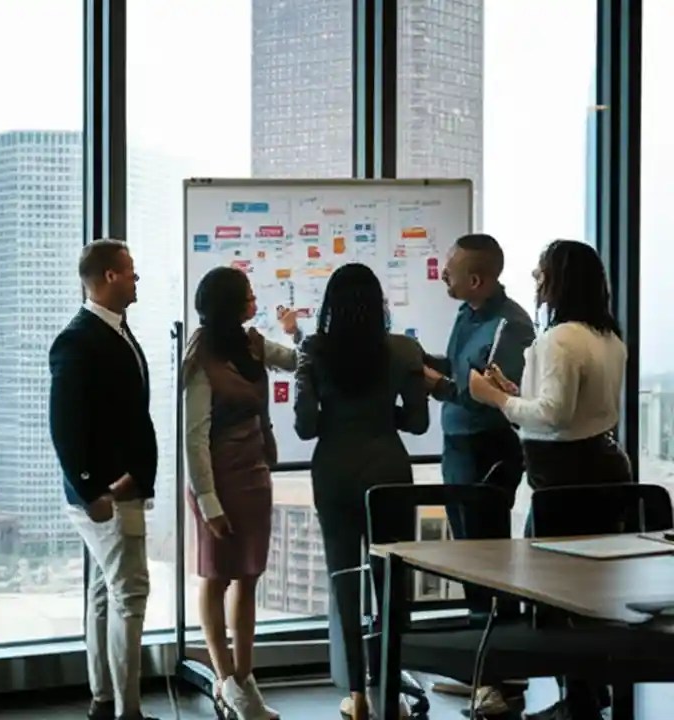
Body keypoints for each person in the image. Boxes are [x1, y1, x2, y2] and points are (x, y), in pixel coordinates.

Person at [468, 239, 630, 720]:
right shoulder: (608, 338)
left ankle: (577, 700)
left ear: (559, 280)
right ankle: (588, 692)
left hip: (565, 480)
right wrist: (520, 394)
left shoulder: (559, 339)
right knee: (591, 593)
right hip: (602, 469)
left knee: (556, 596)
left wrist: (496, 400)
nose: (536, 283)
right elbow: (570, 410)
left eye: (541, 274)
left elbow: (555, 417)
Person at [293, 263, 428, 720]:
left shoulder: (314, 351)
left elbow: (306, 426)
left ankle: (356, 697)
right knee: (390, 585)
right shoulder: (404, 351)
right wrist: (382, 415)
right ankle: (391, 692)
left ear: (331, 305)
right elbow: (419, 422)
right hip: (389, 472)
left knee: (344, 581)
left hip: (333, 472)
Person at [421, 233, 535, 716]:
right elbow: (458, 369)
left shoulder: (512, 325)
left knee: (490, 563)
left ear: (477, 278)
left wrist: (439, 386)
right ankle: (482, 670)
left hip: (487, 449)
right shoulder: (466, 315)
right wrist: (419, 362)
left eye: (450, 268)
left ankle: (502, 680)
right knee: (471, 561)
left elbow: (493, 396)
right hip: (458, 448)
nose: (442, 274)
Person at [183, 266, 301, 720]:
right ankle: (226, 680)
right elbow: (194, 439)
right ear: (231, 304)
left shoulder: (251, 344)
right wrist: (208, 503)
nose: (256, 301)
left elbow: (297, 361)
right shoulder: (200, 358)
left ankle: (245, 679)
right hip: (218, 480)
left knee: (248, 575)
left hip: (253, 474)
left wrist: (298, 332)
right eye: (249, 295)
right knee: (216, 576)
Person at [49, 239, 158, 720]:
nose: (137, 278)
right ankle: (127, 712)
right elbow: (65, 425)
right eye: (131, 271)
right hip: (109, 496)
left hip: (118, 489)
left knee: (104, 592)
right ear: (109, 276)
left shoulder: (114, 330)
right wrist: (94, 489)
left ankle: (105, 700)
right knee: (129, 595)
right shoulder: (79, 339)